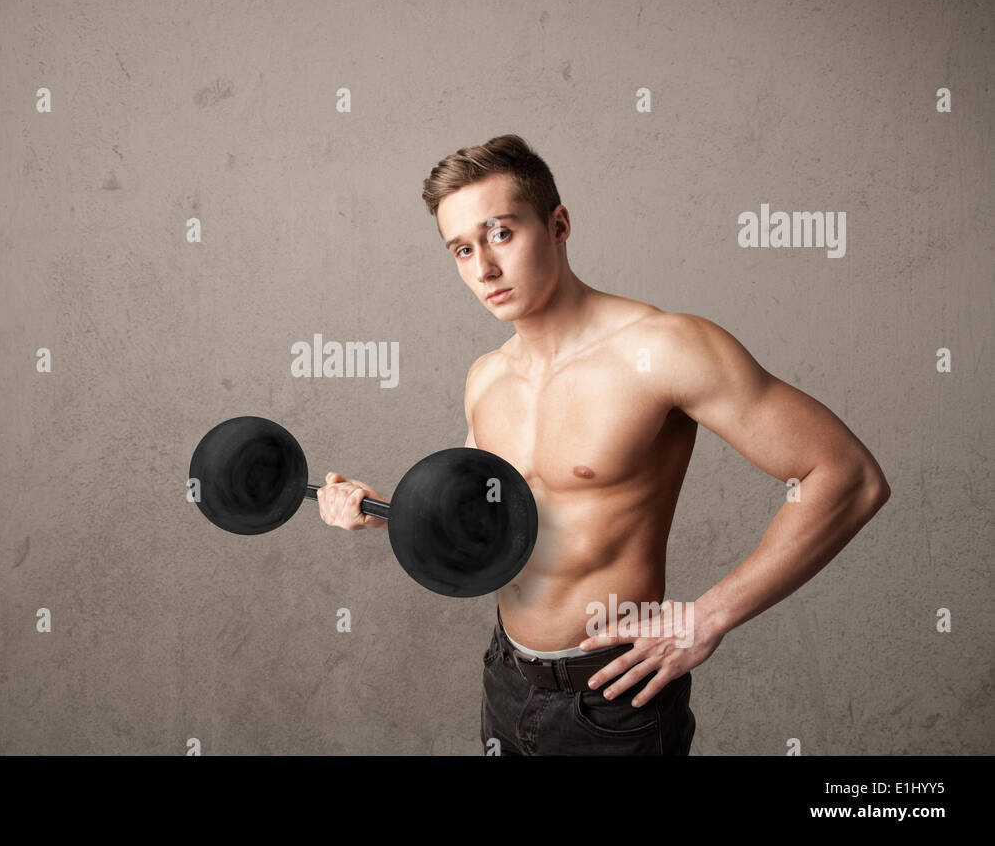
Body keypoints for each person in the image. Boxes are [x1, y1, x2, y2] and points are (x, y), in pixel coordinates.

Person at [314, 134, 891, 755]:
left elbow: (846, 475)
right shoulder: (486, 377)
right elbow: (493, 521)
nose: (483, 268)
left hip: (614, 699)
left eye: (501, 233)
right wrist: (388, 512)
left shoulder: (665, 349)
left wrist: (708, 617)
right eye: (461, 249)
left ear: (558, 224)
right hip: (507, 682)